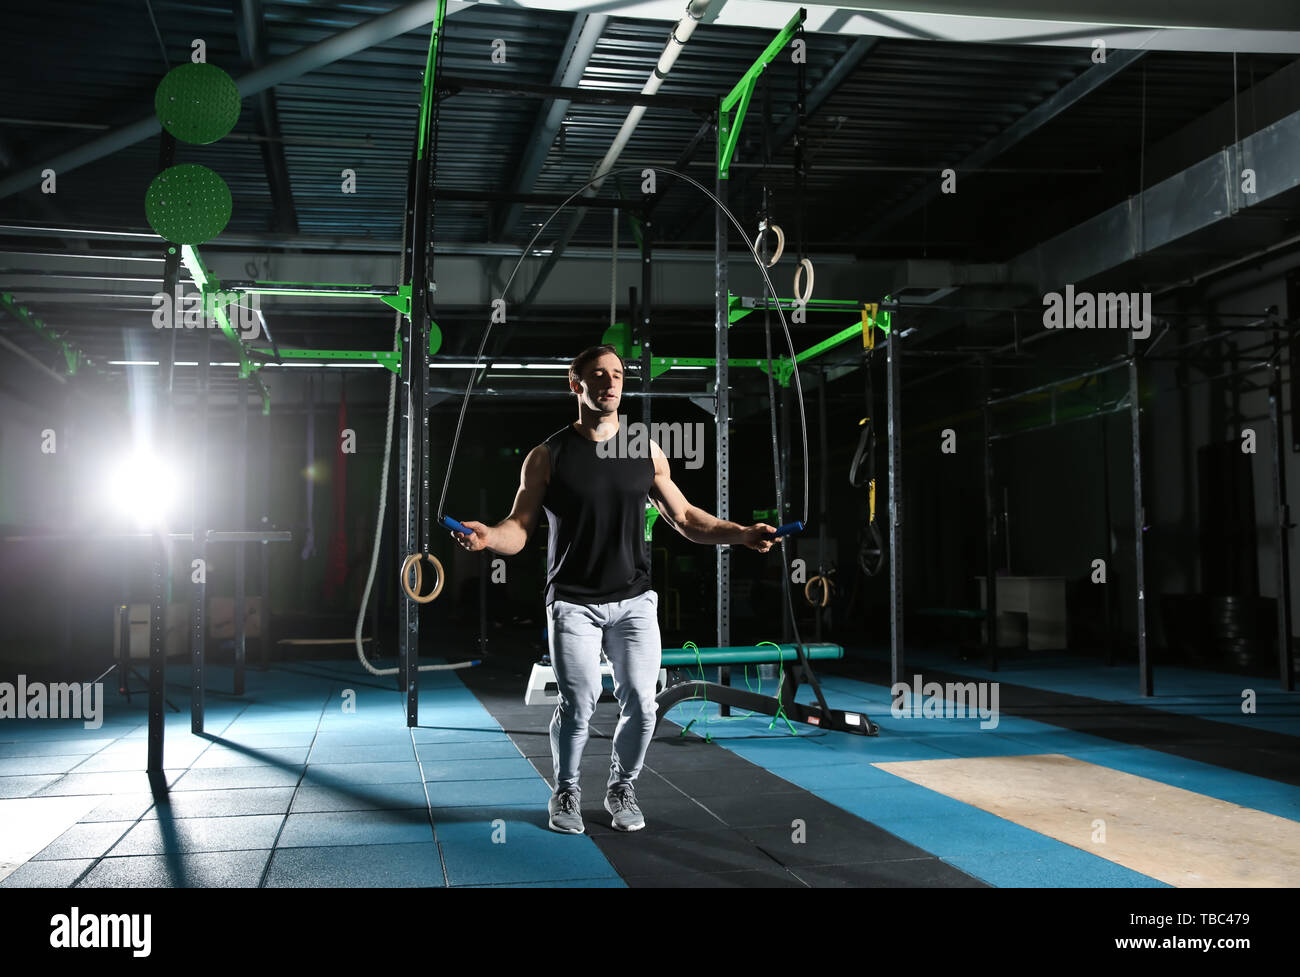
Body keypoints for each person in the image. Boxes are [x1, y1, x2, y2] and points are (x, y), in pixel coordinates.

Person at [450, 344, 776, 834]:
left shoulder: (645, 448)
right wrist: (487, 538)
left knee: (644, 704)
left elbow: (686, 518)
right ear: (574, 383)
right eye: (597, 375)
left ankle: (622, 786)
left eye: (618, 374)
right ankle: (566, 789)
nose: (610, 383)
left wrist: (743, 533)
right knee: (579, 704)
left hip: (635, 600)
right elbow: (518, 528)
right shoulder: (547, 456)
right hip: (573, 602)